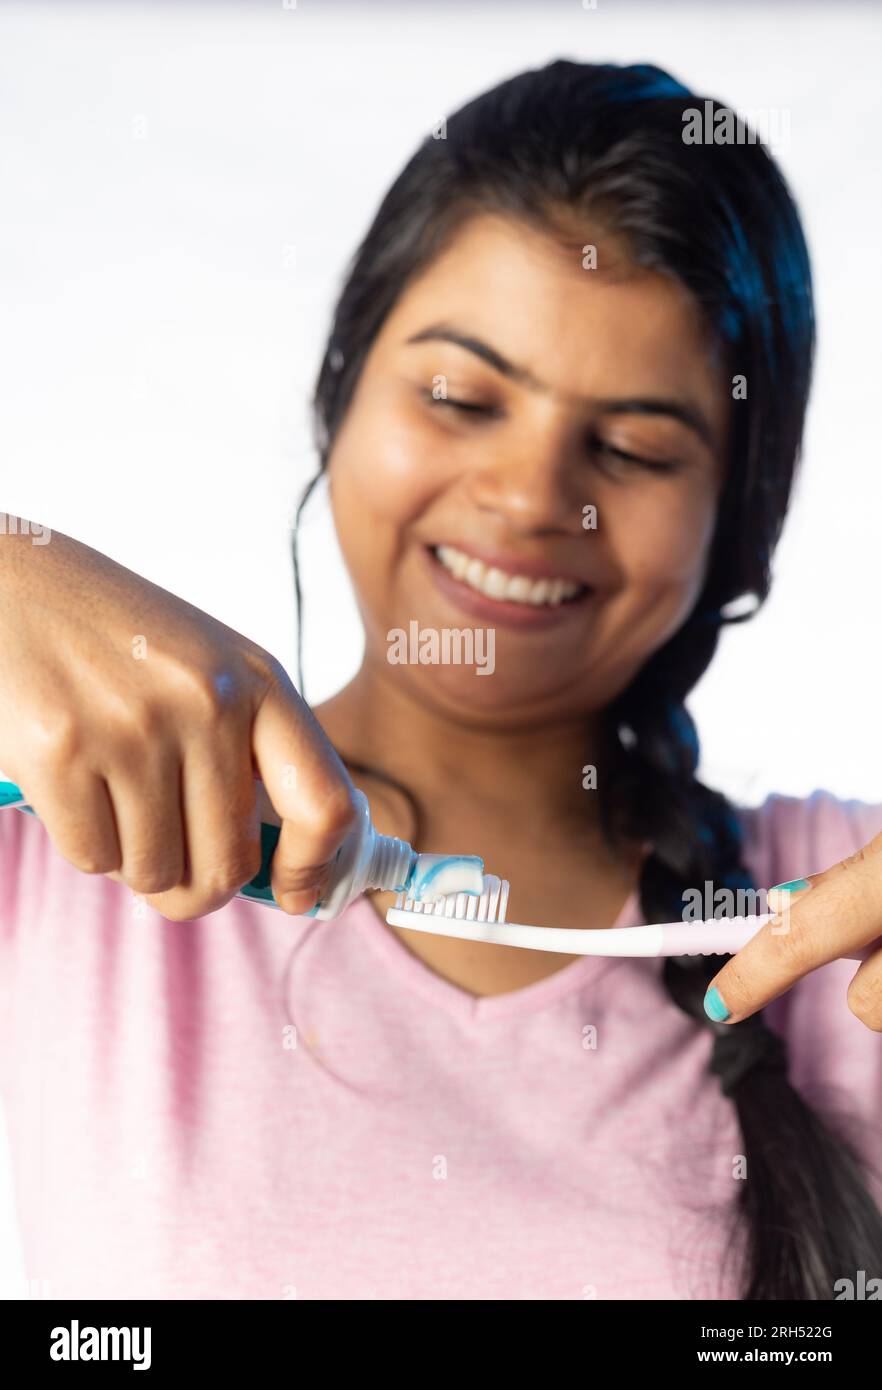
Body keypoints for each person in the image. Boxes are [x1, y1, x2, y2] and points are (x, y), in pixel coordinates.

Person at [1, 58, 880, 1302]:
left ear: (740, 518)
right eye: (462, 395)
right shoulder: (71, 826)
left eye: (631, 448)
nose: (530, 498)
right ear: (339, 390)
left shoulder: (842, 923)